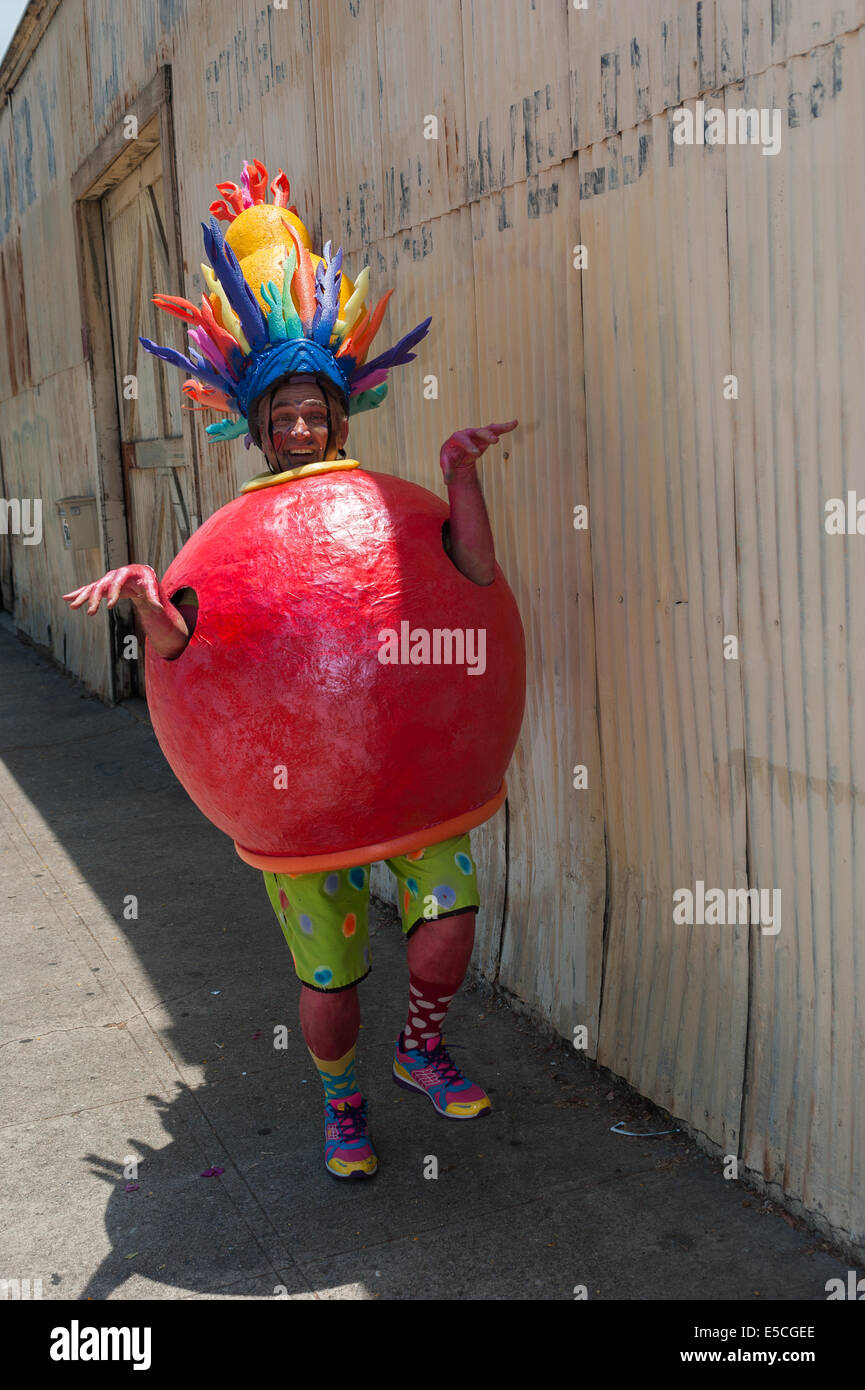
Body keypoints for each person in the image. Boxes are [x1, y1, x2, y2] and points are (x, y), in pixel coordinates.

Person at [63, 158, 519, 1180]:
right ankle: (342, 1104)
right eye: (282, 417)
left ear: (336, 415)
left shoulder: (388, 507)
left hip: (415, 776)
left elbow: (472, 572)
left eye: (312, 409)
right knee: (331, 981)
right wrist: (143, 594)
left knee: (446, 926)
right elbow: (185, 646)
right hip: (293, 799)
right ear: (258, 430)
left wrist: (457, 477)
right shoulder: (230, 543)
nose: (300, 425)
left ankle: (422, 1049)